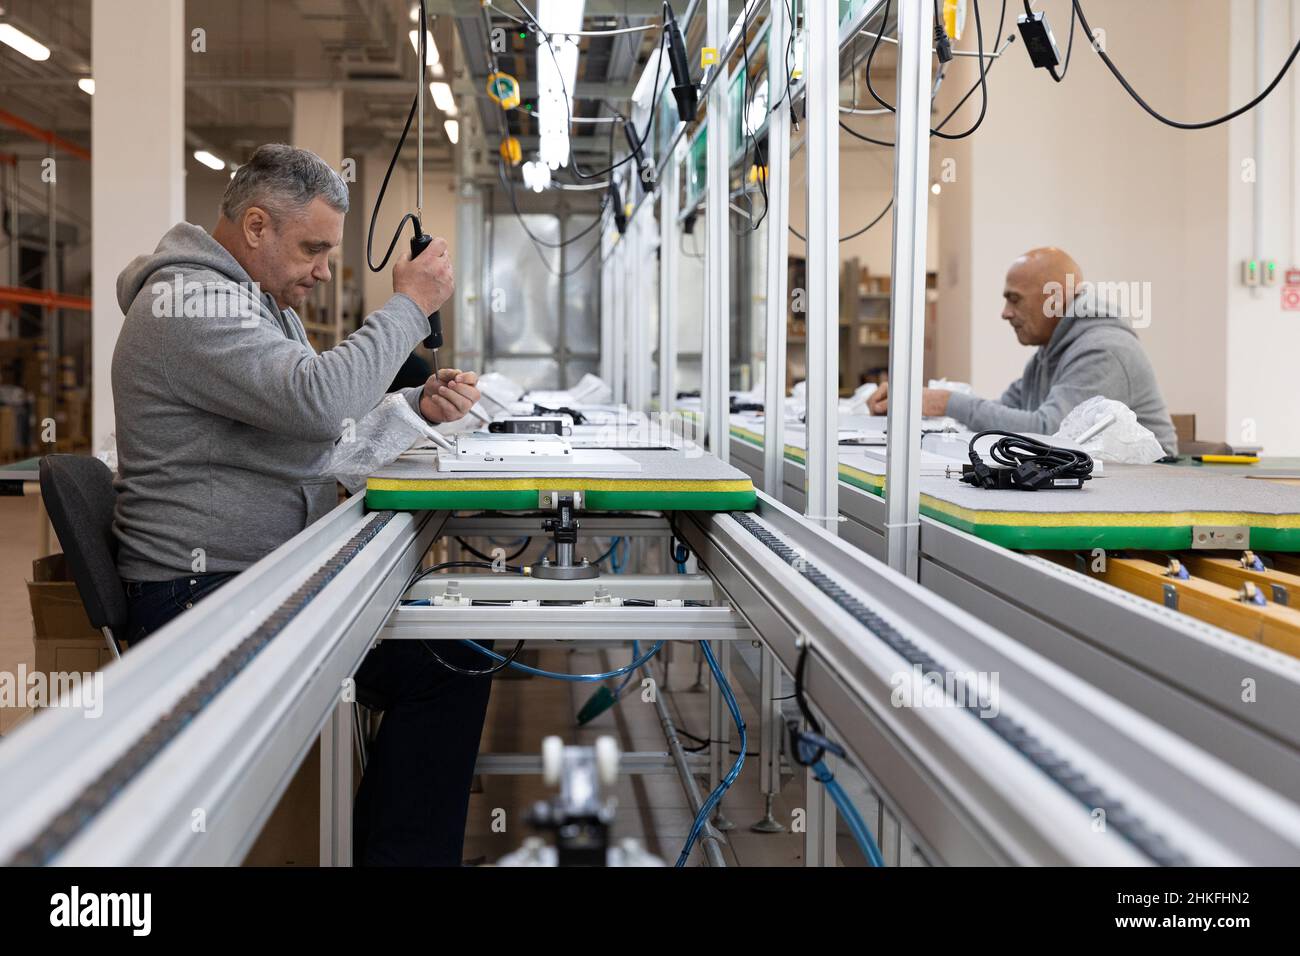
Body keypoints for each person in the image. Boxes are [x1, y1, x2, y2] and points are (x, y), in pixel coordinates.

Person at [111, 143, 487, 865]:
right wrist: (408, 306)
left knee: (452, 649)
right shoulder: (192, 303)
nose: (322, 269)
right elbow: (319, 405)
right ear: (255, 227)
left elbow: (327, 438)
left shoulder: (259, 304)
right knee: (450, 668)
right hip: (202, 600)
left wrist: (416, 405)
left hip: (258, 578)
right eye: (312, 248)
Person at [868, 247, 1178, 455]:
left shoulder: (1104, 351)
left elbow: (1049, 435)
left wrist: (946, 402)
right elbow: (999, 417)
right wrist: (916, 403)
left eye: (1014, 300)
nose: (1004, 313)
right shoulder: (1046, 356)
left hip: (1142, 500)